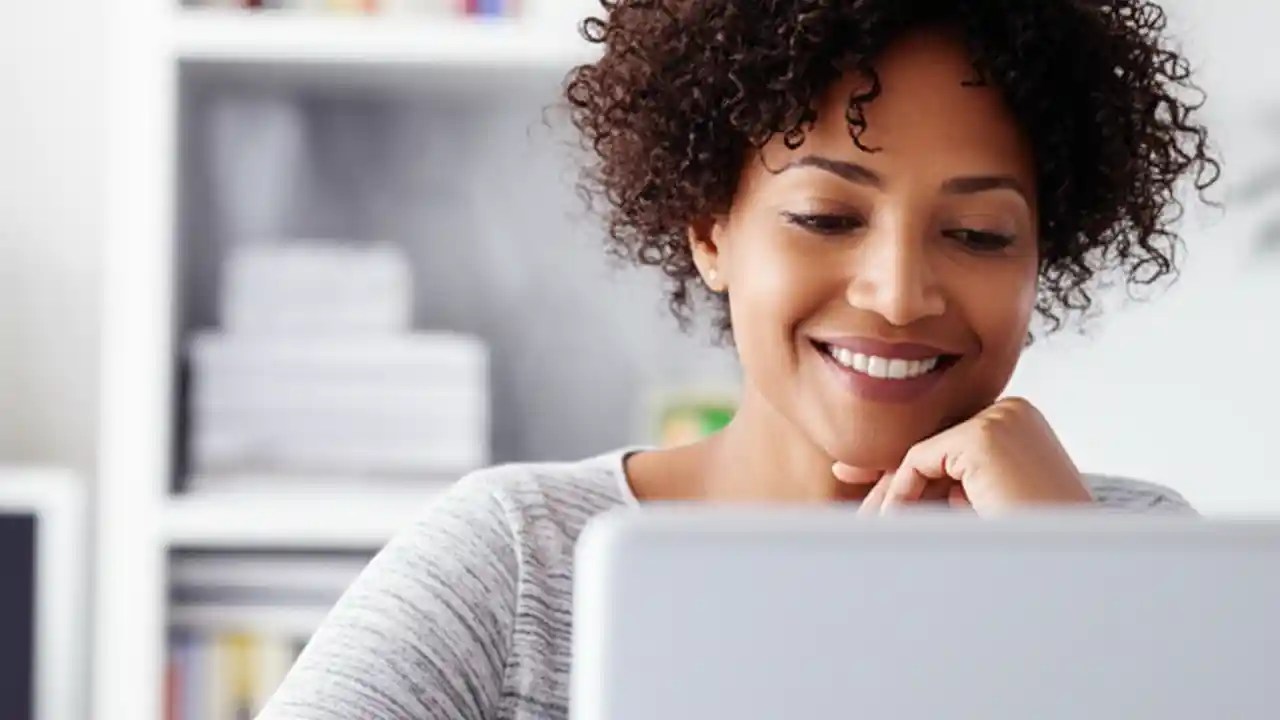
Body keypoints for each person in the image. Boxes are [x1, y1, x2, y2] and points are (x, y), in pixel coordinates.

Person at [258, 1, 1218, 718]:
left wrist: (1082, 592)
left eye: (975, 233)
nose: (896, 293)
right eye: (825, 217)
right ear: (710, 230)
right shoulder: (518, 565)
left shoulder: (1140, 550)